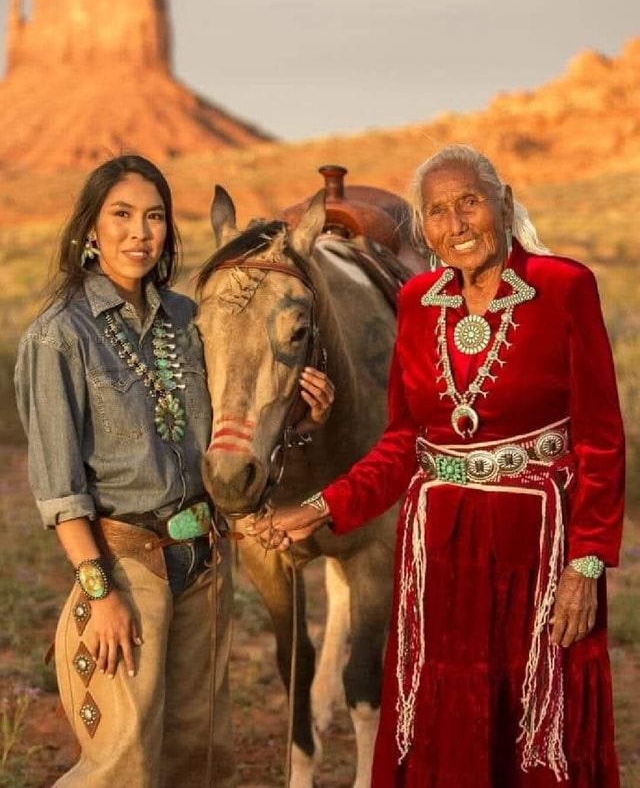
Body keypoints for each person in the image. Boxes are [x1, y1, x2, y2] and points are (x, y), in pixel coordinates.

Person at [251, 144, 625, 788]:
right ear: (422, 228)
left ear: (503, 205)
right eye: (437, 212)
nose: (456, 225)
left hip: (537, 554)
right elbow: (402, 445)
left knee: (536, 727)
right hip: (439, 557)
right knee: (444, 726)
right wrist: (317, 508)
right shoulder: (420, 301)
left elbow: (600, 440)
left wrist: (586, 564)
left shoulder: (566, 287)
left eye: (470, 203)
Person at [14, 154, 333, 788]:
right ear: (90, 230)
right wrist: (101, 595)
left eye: (154, 216)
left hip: (205, 564)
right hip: (127, 565)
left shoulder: (189, 322)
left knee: (200, 756)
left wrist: (301, 422)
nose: (140, 233)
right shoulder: (58, 338)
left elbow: (226, 430)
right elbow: (59, 489)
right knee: (121, 765)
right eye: (122, 215)